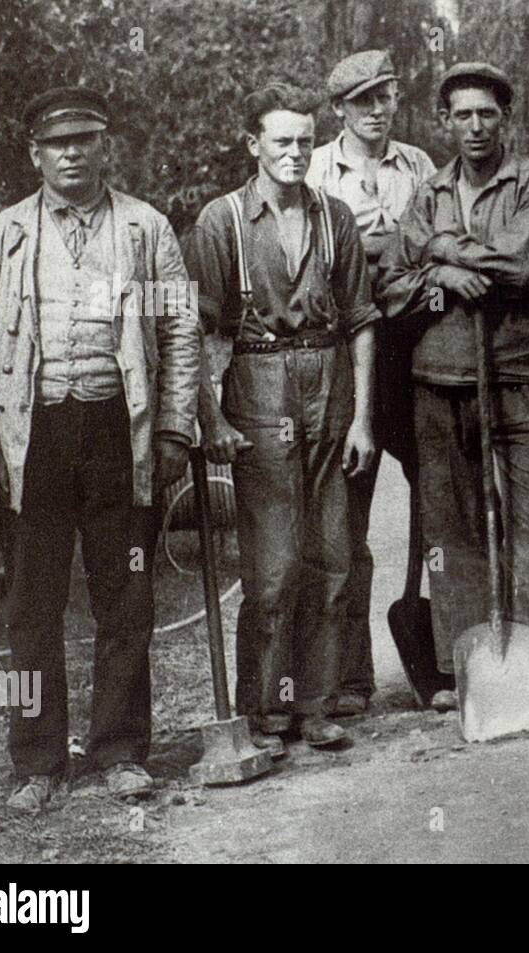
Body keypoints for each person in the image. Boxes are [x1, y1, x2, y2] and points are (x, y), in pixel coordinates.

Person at [0, 87, 200, 811]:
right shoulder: (5, 234)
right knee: (34, 603)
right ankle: (38, 763)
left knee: (124, 591)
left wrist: (178, 424)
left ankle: (121, 749)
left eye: (83, 140)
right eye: (57, 143)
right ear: (34, 155)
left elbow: (181, 330)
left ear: (103, 146)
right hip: (36, 438)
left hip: (121, 430)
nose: (71, 153)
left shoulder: (145, 229)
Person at [379, 63, 529, 722]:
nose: (475, 126)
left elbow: (528, 265)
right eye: (462, 114)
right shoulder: (428, 192)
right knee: (453, 531)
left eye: (487, 114)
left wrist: (441, 250)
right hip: (439, 381)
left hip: (522, 374)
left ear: (505, 118)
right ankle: (462, 668)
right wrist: (439, 270)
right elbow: (389, 286)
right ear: (445, 121)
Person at [182, 83, 379, 754]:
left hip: (329, 381)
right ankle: (267, 711)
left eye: (304, 140)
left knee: (332, 556)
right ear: (254, 145)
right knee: (274, 565)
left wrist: (361, 420)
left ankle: (317, 705)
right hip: (258, 385)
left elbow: (360, 322)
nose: (295, 153)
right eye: (281, 141)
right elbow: (198, 329)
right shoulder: (222, 221)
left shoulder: (337, 218)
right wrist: (210, 417)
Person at [307, 49, 437, 716]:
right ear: (340, 111)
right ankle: (348, 674)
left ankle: (432, 642)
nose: (378, 110)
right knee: (345, 511)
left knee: (432, 494)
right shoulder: (313, 170)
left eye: (386, 96)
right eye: (364, 102)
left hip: (412, 346)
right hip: (345, 351)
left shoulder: (419, 166)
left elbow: (440, 244)